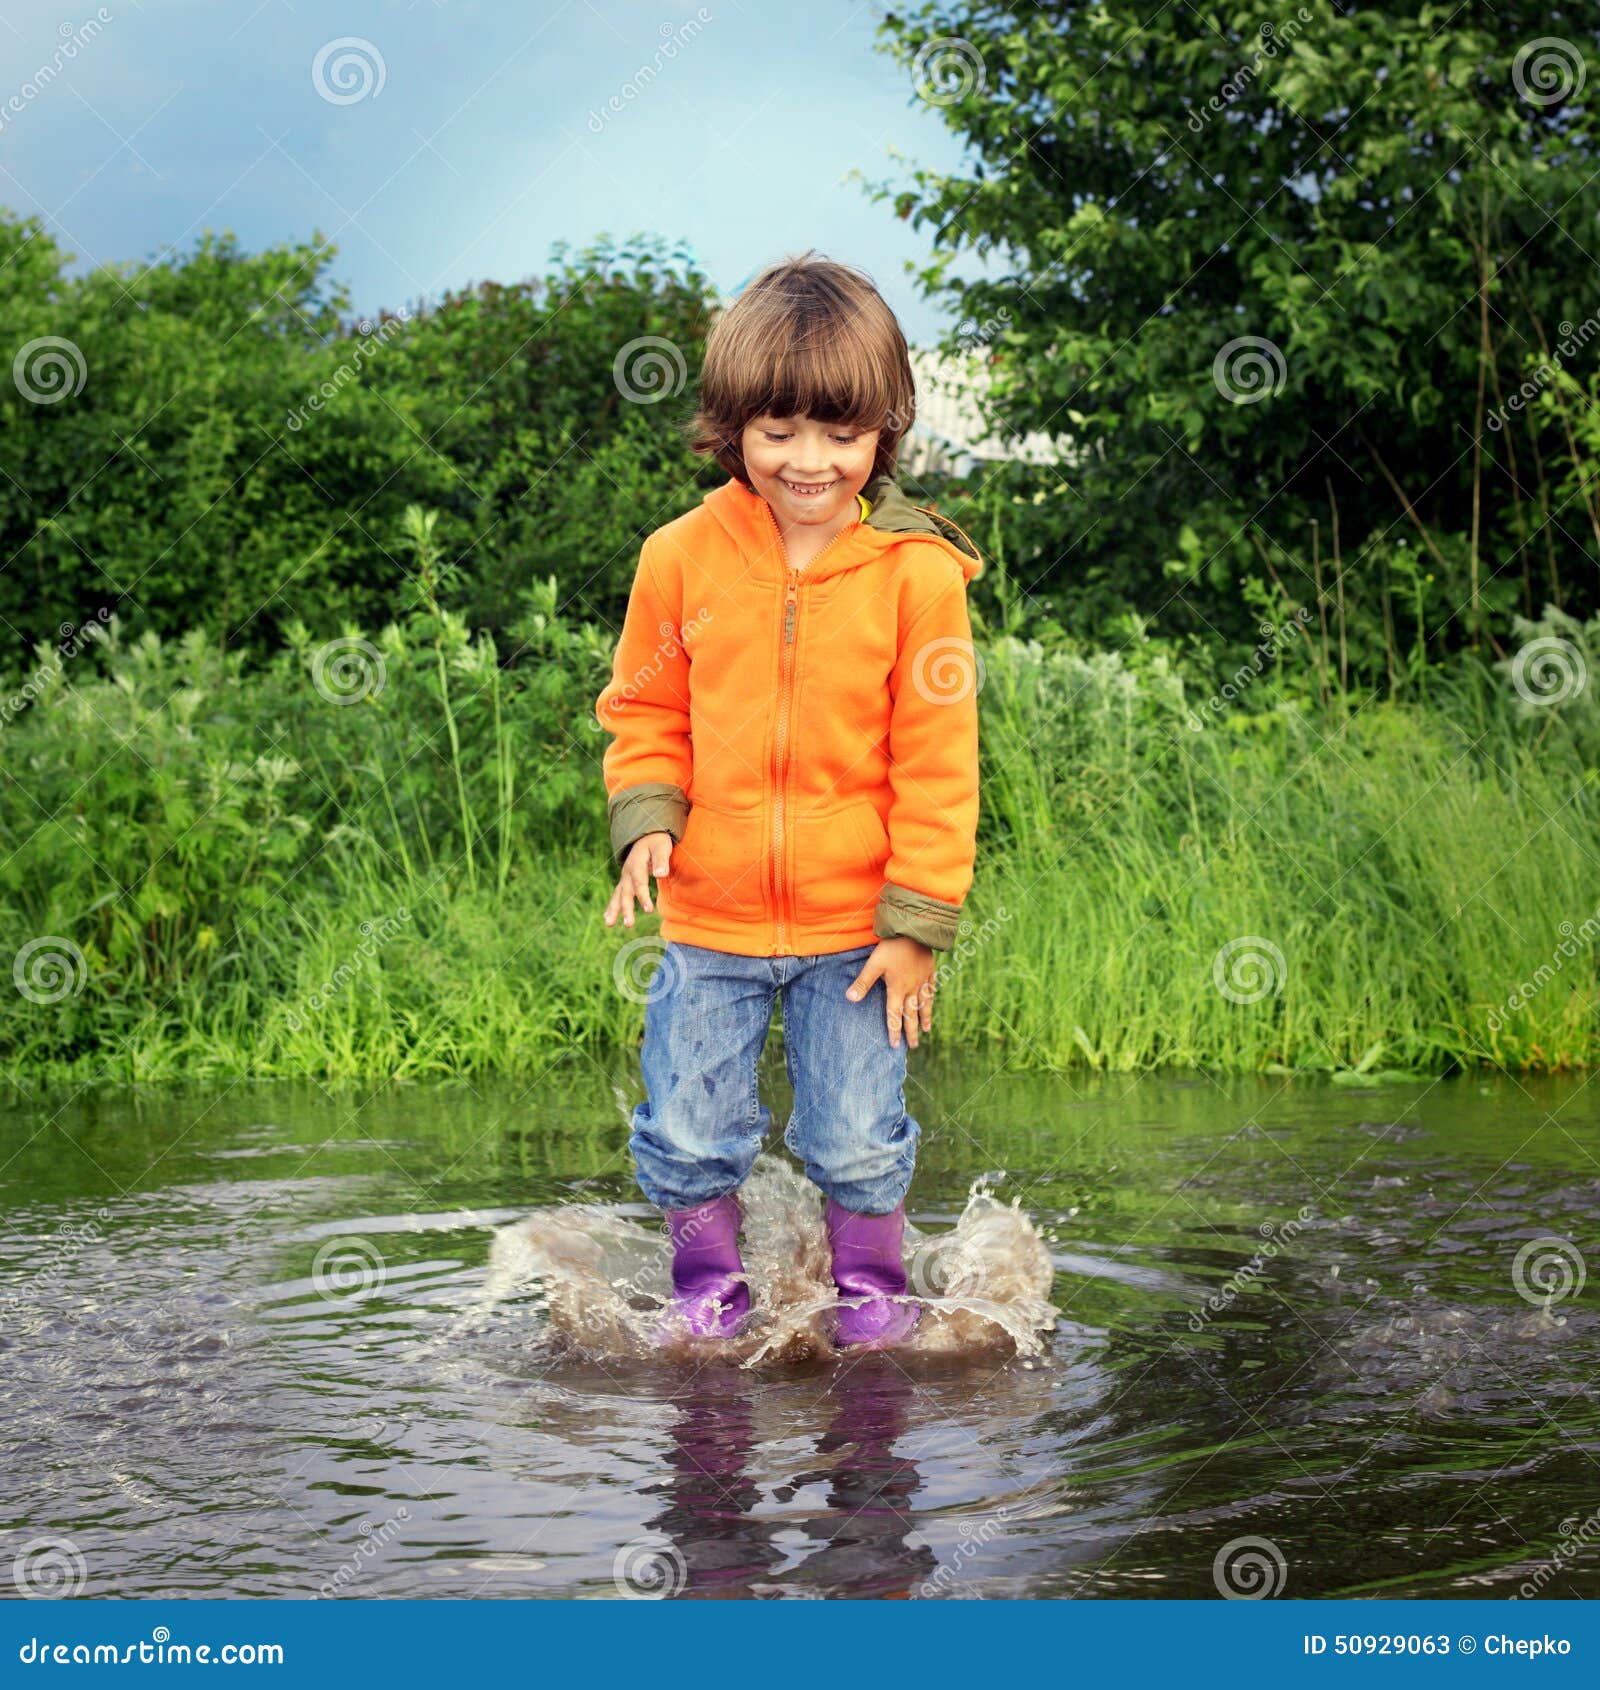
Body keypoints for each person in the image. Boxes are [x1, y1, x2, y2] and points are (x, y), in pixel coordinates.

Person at [595, 251, 983, 1348]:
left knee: (857, 1139)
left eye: (840, 434)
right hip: (708, 923)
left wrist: (916, 924)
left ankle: (871, 1302)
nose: (809, 462)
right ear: (732, 427)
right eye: (778, 431)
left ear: (883, 430)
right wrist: (647, 817)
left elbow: (940, 761)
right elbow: (643, 709)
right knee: (685, 1133)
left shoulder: (917, 575)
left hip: (856, 930)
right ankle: (706, 1299)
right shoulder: (678, 557)